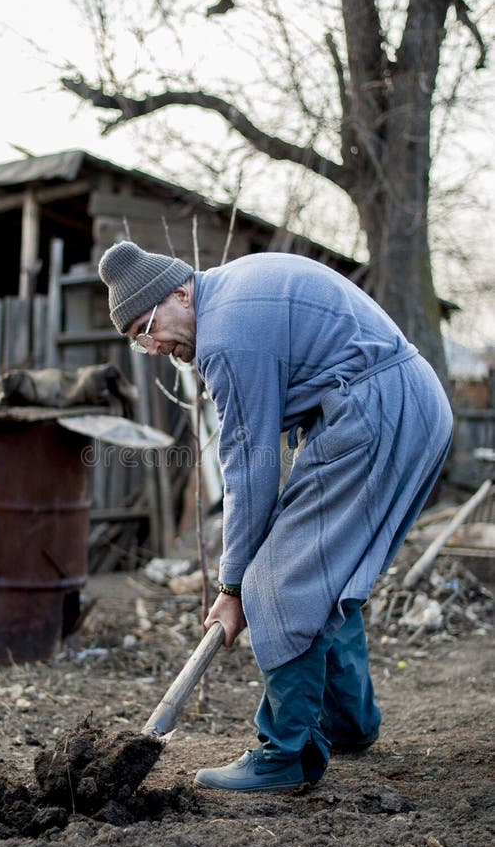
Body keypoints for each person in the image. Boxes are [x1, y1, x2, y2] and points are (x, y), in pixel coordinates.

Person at [98, 241, 453, 793]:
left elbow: (248, 466)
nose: (154, 345)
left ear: (181, 291)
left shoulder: (225, 335)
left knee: (278, 580)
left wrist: (235, 583)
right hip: (401, 403)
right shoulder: (234, 294)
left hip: (376, 412)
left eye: (148, 326)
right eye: (138, 342)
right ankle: (349, 723)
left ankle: (285, 755)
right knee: (322, 571)